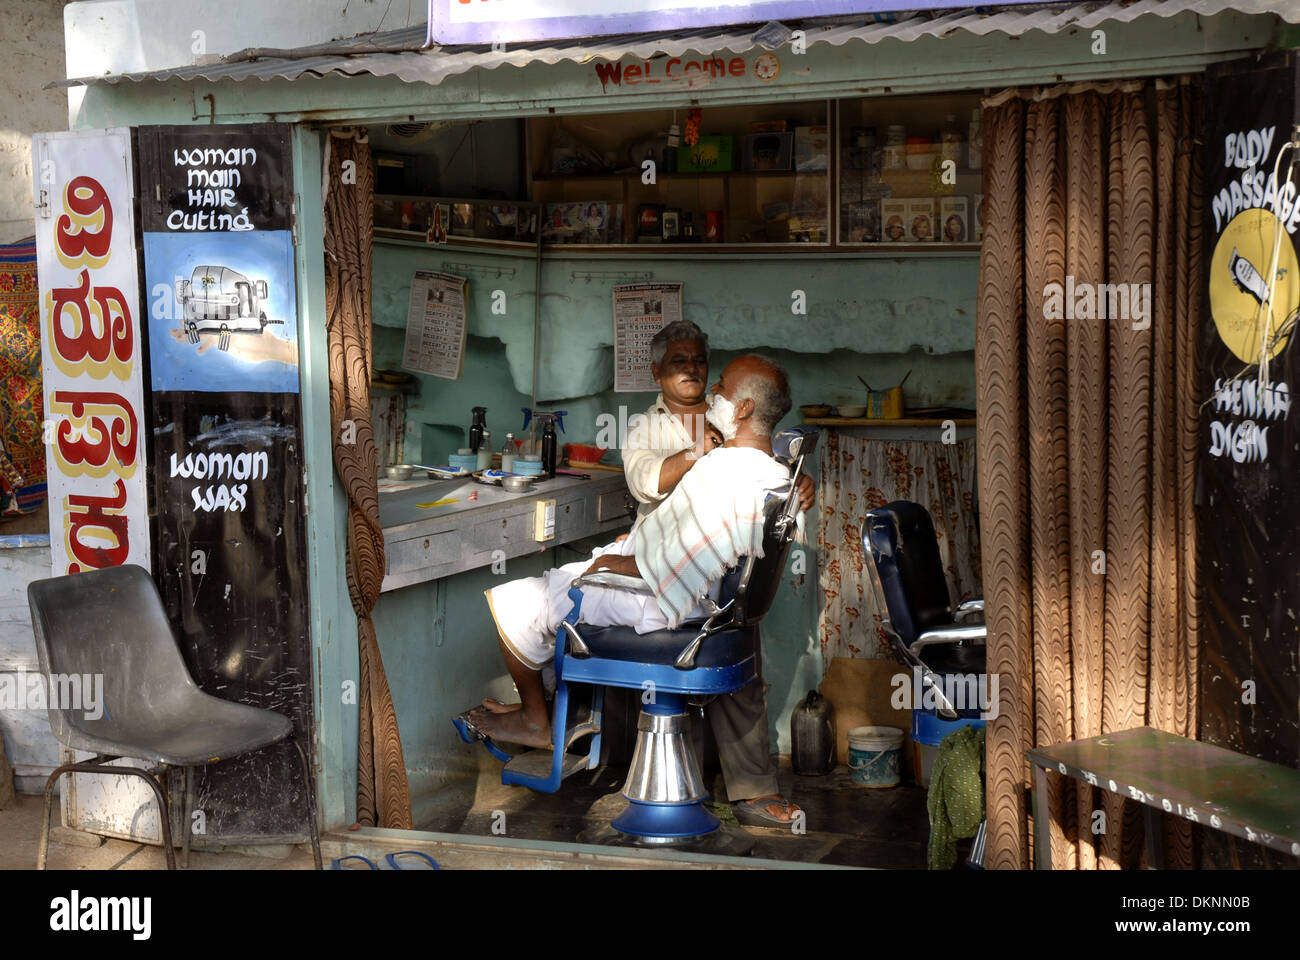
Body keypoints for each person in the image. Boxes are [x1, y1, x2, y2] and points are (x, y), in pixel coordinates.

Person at [465, 356, 798, 799]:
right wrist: (636, 544)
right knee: (574, 575)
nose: (712, 389)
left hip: (665, 604)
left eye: (721, 385)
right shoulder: (778, 474)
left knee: (517, 599)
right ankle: (546, 708)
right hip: (711, 609)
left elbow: (673, 561)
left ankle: (534, 719)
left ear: (741, 410)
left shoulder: (726, 470)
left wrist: (619, 564)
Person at [616, 322, 812, 825]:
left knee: (741, 676)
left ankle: (750, 792)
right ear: (657, 372)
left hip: (729, 568)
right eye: (677, 361)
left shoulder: (732, 412)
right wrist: (698, 452)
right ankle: (686, 785)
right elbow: (646, 484)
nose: (691, 369)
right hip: (666, 562)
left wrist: (795, 481)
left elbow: (771, 455)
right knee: (679, 678)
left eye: (699, 361)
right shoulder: (647, 426)